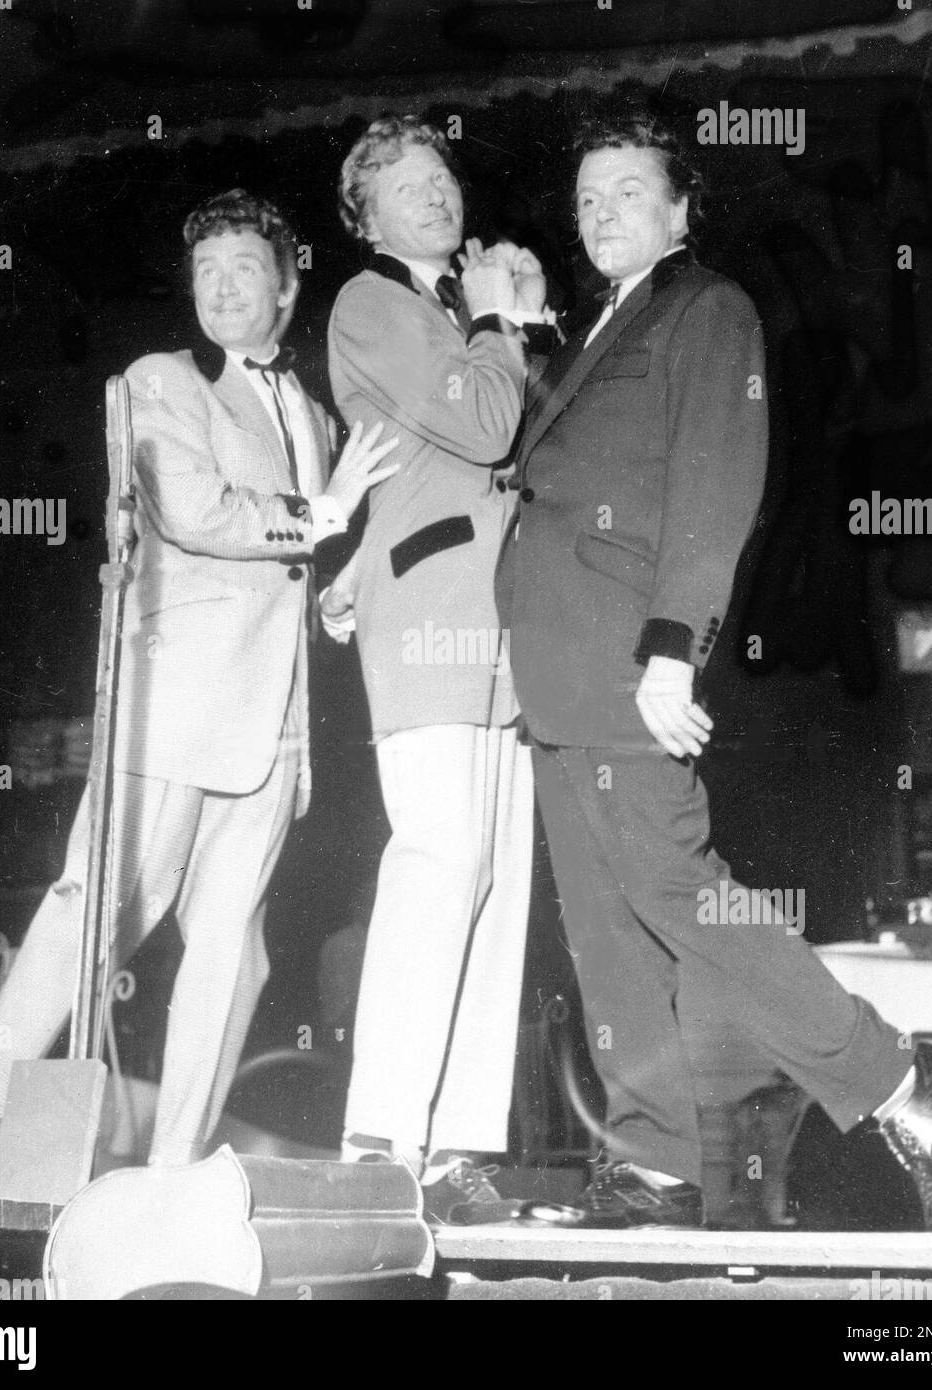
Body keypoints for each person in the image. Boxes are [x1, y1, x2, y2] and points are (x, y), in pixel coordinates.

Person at [496, 113, 932, 1231]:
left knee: (676, 886)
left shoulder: (704, 310)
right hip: (553, 676)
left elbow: (717, 483)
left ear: (680, 210)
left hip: (628, 658)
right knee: (607, 922)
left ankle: (899, 1079)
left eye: (629, 190)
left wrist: (674, 645)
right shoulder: (588, 339)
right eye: (587, 198)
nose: (604, 211)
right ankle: (657, 1164)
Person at [0, 189, 398, 1190]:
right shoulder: (159, 381)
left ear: (288, 285)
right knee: (93, 912)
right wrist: (320, 511)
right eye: (204, 272)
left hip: (277, 726)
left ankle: (173, 1170)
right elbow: (195, 507)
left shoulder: (311, 409)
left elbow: (310, 555)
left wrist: (339, 596)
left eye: (243, 267)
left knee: (232, 953)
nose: (219, 288)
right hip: (177, 709)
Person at [321, 115, 554, 1223]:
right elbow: (482, 422)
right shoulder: (374, 305)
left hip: (504, 627)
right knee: (438, 855)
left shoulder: (457, 312)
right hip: (428, 614)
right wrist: (503, 322)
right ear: (363, 218)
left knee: (500, 881)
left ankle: (458, 1145)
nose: (434, 194)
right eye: (405, 185)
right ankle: (380, 1134)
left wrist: (511, 320)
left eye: (443, 175)